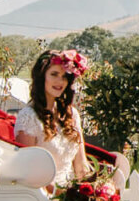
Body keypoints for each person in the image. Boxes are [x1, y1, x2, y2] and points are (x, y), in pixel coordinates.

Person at [15, 49, 94, 187]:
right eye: (54, 74)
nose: (60, 81)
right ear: (41, 77)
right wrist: (60, 194)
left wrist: (92, 190)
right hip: (42, 196)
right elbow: (29, 172)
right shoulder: (28, 117)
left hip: (71, 193)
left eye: (64, 76)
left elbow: (81, 166)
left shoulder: (72, 115)